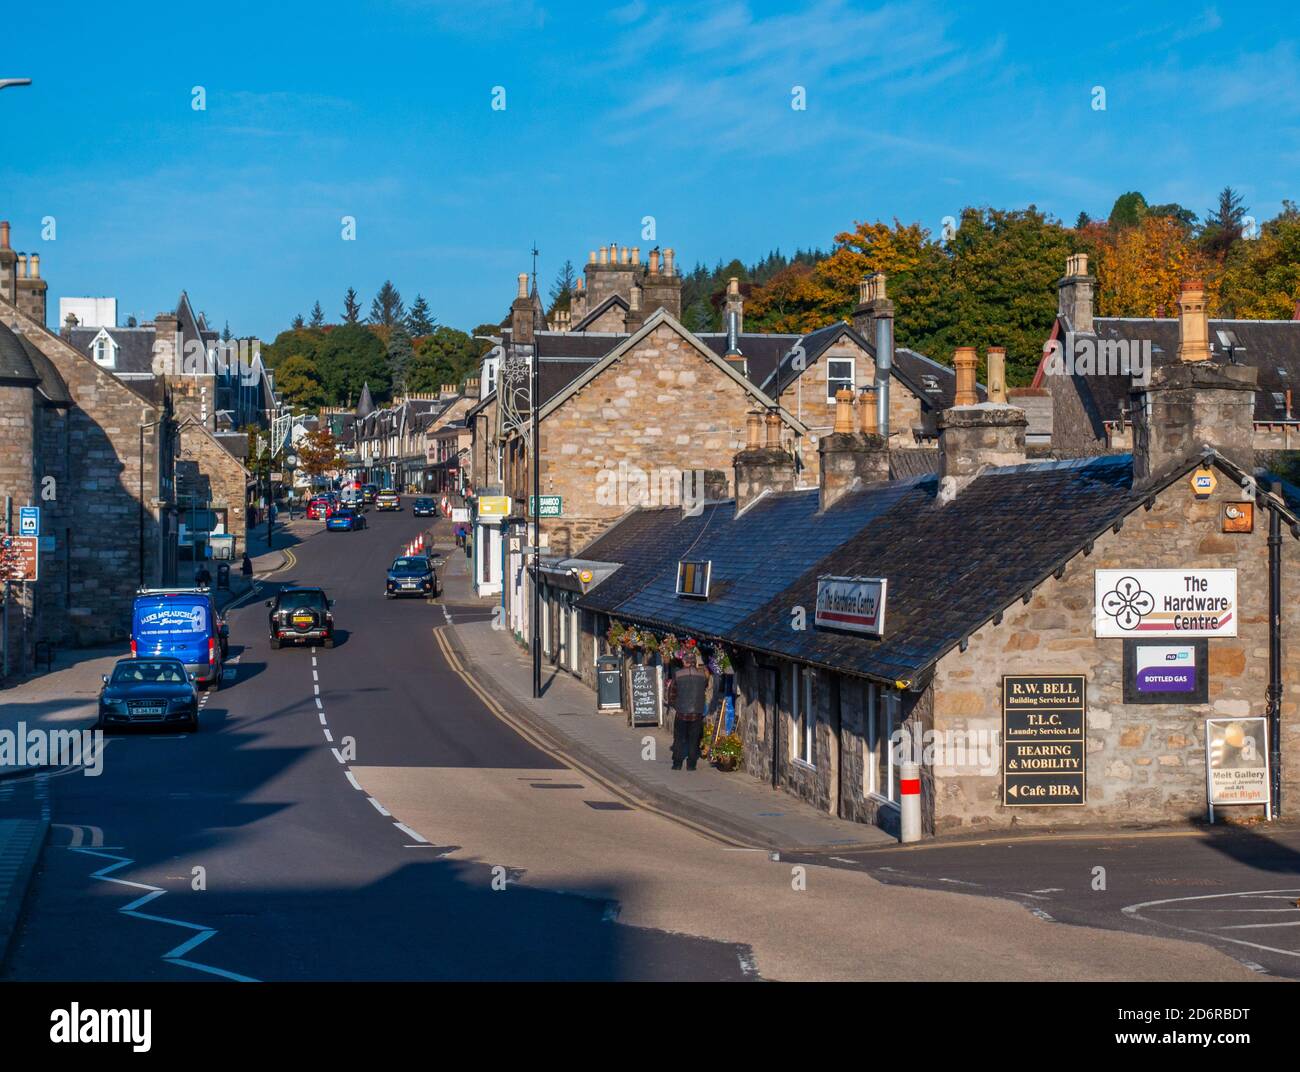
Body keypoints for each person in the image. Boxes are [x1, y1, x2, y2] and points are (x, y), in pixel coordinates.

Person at [665, 648, 710, 771]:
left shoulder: (678, 675)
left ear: (684, 662)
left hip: (682, 712)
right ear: (694, 662)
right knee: (693, 739)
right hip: (697, 712)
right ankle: (691, 764)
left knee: (679, 738)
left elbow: (672, 694)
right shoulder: (702, 676)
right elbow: (704, 687)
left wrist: (676, 705)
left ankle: (677, 763)